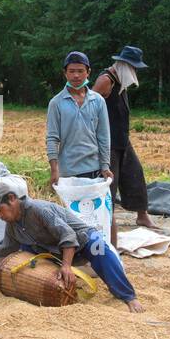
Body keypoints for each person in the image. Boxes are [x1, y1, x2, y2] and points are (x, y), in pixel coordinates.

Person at [0, 181, 144, 313]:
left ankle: (128, 296)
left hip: (81, 241)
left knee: (100, 248)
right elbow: (4, 249)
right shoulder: (13, 226)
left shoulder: (38, 210)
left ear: (12, 198)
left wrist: (66, 266)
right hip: (52, 249)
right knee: (22, 247)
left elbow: (68, 235)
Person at [45, 50, 115, 242]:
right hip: (69, 174)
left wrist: (105, 166)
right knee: (73, 221)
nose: (76, 75)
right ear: (65, 73)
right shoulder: (57, 103)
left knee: (101, 218)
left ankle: (108, 255)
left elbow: (103, 137)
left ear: (88, 73)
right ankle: (76, 258)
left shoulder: (98, 101)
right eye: (72, 71)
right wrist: (54, 169)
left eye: (80, 71)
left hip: (94, 171)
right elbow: (52, 138)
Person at [91, 45, 155, 233]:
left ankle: (142, 216)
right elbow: (89, 109)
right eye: (133, 68)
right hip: (106, 141)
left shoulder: (120, 80)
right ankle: (106, 221)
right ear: (124, 65)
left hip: (121, 138)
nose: (135, 72)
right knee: (110, 179)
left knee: (135, 173)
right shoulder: (106, 80)